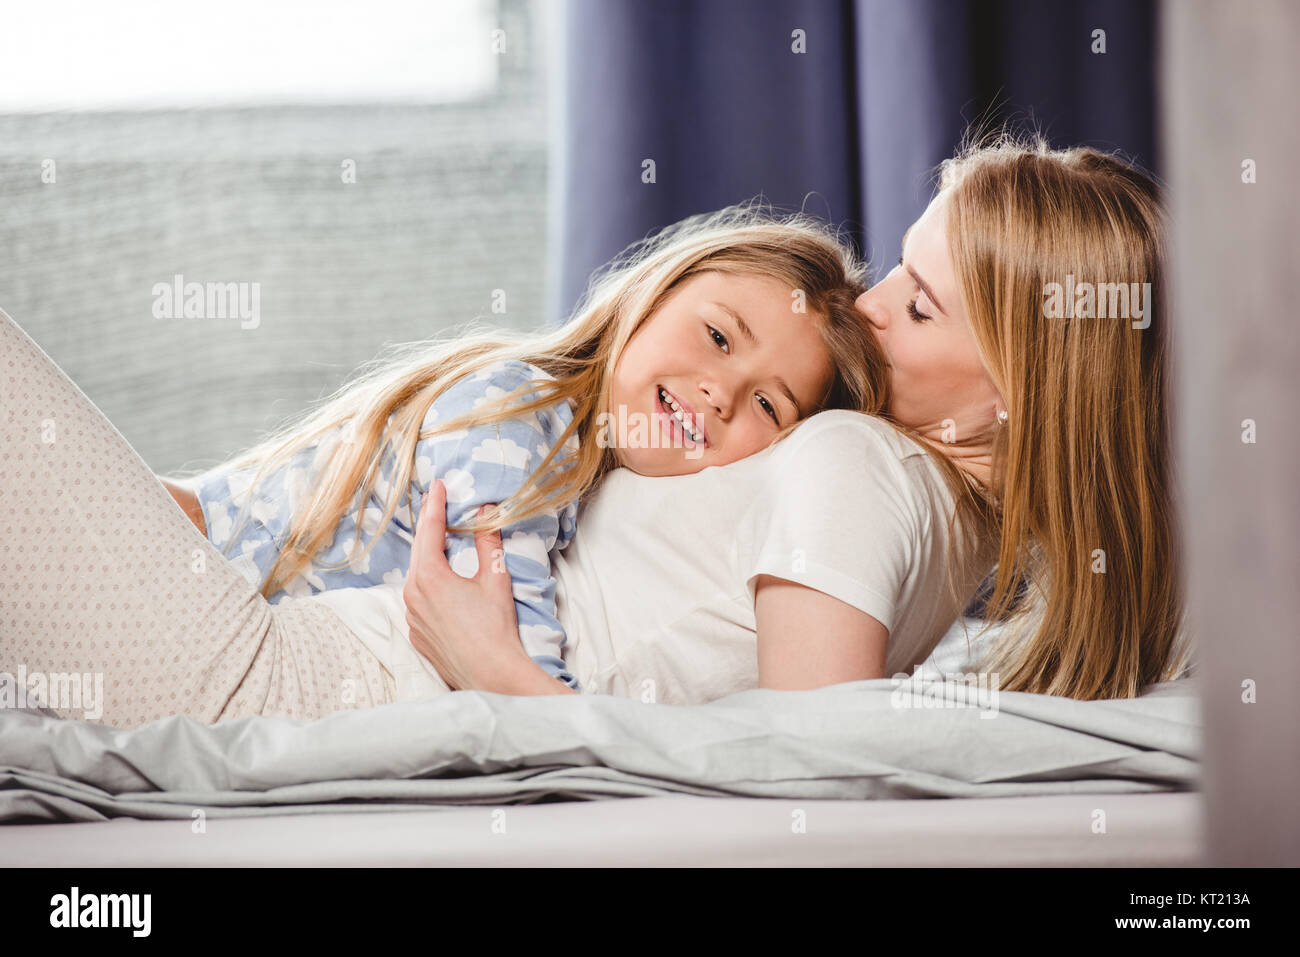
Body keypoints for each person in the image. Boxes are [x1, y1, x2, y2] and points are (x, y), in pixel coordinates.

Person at [0, 204, 884, 729]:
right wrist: (578, 723)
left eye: (769, 405)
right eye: (719, 336)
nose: (721, 391)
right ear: (652, 295)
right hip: (174, 560)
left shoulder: (583, 468)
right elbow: (509, 627)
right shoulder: (523, 419)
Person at [399, 133, 1192, 703]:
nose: (869, 304)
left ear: (1019, 393)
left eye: (920, 306)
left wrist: (501, 680)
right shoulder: (928, 507)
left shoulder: (859, 462)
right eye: (900, 265)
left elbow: (807, 779)